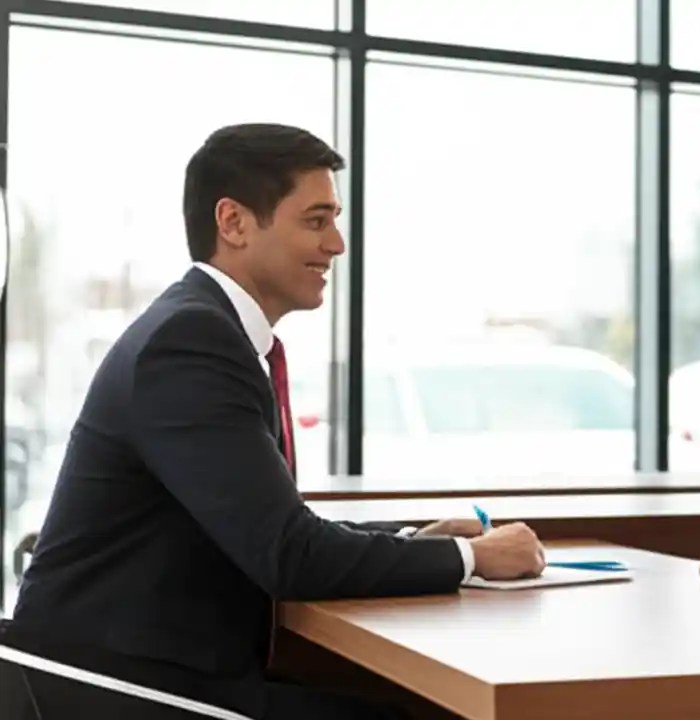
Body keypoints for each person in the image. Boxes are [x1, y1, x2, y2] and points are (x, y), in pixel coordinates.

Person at [0, 123, 547, 720]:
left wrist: (416, 539)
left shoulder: (208, 331)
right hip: (112, 688)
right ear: (233, 223)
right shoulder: (189, 342)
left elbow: (270, 526)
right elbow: (288, 552)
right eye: (316, 220)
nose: (336, 243)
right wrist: (473, 560)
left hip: (165, 669)